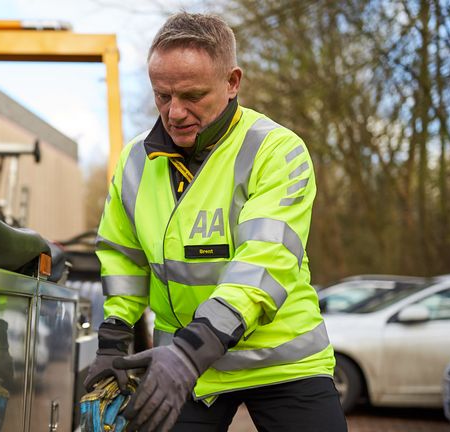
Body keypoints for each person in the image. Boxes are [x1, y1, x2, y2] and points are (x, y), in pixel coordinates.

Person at [84, 11, 347, 432]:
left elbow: (263, 264)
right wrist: (115, 334)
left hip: (279, 362)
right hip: (182, 368)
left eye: (192, 95)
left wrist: (189, 352)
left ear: (232, 82)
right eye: (162, 96)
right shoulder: (134, 162)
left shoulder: (277, 151)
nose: (175, 113)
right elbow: (123, 255)